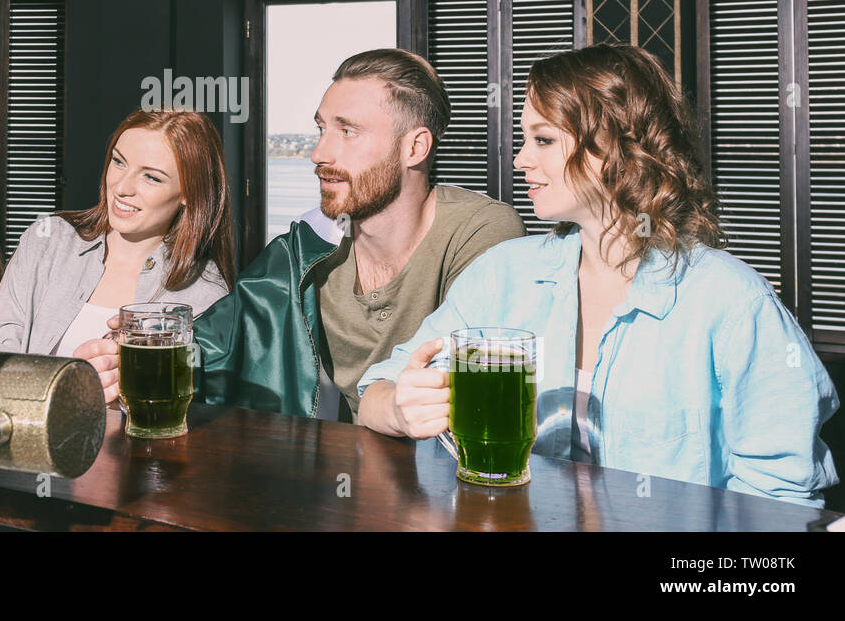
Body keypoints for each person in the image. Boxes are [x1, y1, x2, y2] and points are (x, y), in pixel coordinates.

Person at [357, 44, 839, 506]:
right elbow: (374, 393)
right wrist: (401, 409)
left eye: (543, 139)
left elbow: (779, 499)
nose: (521, 159)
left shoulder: (732, 301)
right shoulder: (501, 274)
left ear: (614, 146)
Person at [196, 49, 527, 420]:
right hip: (352, 466)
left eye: (348, 131)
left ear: (414, 147)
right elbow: (213, 342)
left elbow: (479, 383)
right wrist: (127, 357)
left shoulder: (479, 232)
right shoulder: (309, 245)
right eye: (322, 129)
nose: (319, 153)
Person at [0, 109, 235, 403]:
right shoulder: (45, 242)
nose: (122, 187)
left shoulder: (203, 296)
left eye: (151, 177)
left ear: (188, 192)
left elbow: (190, 407)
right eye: (118, 162)